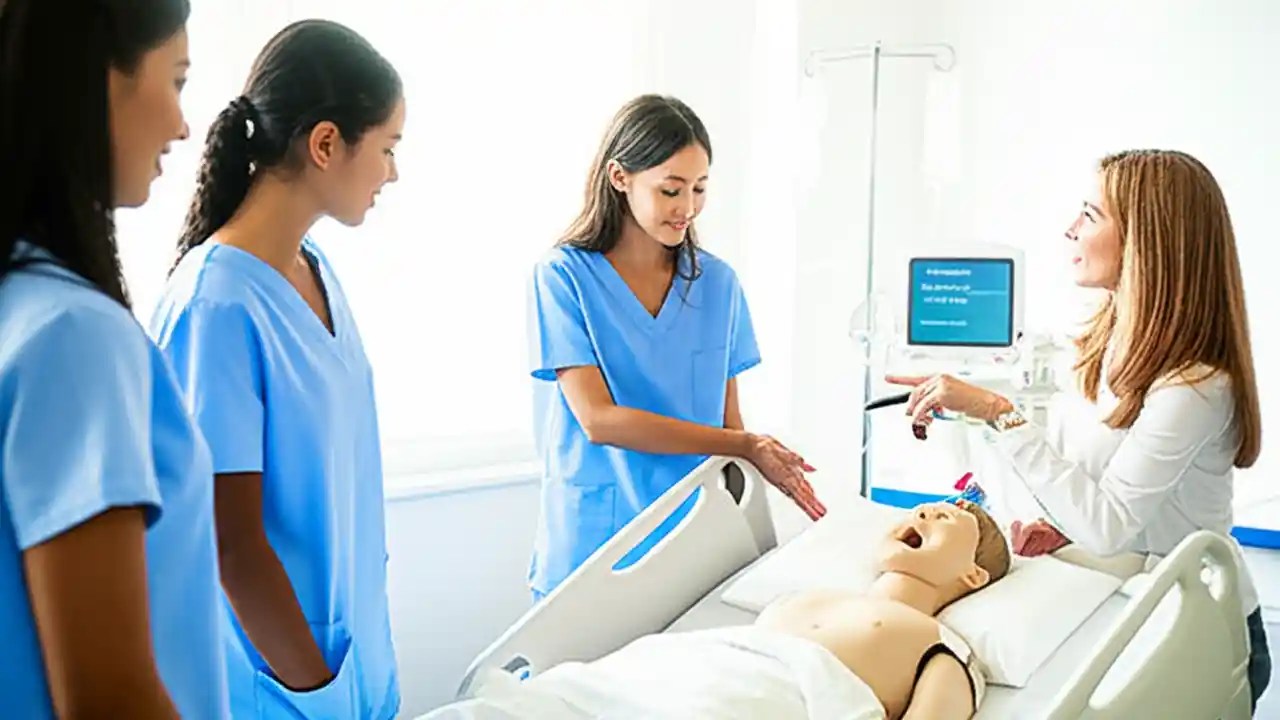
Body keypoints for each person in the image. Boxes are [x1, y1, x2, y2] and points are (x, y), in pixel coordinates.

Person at [887, 148, 1270, 712]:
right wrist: (1061, 526)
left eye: (1091, 215)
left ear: (1148, 239)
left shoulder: (1196, 387)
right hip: (1141, 598)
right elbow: (1104, 495)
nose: (1070, 230)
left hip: (1200, 633)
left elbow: (1110, 525)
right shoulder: (1111, 342)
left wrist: (999, 411)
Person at [148, 19, 404, 719]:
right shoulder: (218, 303)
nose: (393, 173)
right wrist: (316, 690)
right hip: (279, 687)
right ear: (326, 143)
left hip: (349, 661)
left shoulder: (316, 275)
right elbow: (229, 541)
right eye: (387, 148)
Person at [0, 1, 228, 717]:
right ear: (100, 79)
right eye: (178, 80)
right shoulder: (74, 337)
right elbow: (109, 697)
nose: (184, 124)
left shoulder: (20, 304)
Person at [527, 94, 826, 602]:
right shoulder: (563, 277)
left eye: (699, 189)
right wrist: (747, 444)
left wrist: (756, 506)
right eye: (670, 190)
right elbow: (598, 420)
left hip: (695, 540)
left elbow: (728, 423)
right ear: (619, 177)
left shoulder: (717, 285)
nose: (687, 208)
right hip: (594, 547)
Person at [441, 499, 1010, 719]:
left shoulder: (943, 648)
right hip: (661, 679)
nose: (927, 515)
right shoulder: (800, 596)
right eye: (925, 508)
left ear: (972, 575)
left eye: (948, 520)